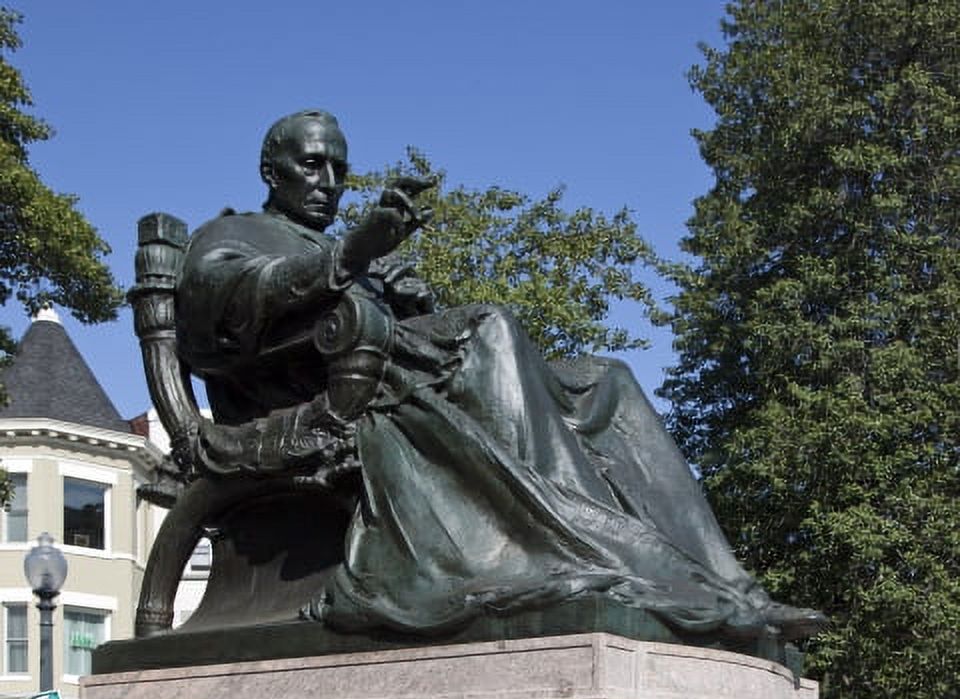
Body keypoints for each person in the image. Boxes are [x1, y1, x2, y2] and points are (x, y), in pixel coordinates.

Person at [175, 110, 823, 646]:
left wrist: (401, 294)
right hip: (327, 399)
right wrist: (351, 259)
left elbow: (377, 316)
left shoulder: (338, 246)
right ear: (271, 169)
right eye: (311, 164)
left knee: (609, 381)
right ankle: (604, 557)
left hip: (395, 372)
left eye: (339, 169)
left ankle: (730, 587)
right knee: (491, 329)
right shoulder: (231, 233)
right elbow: (217, 315)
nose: (328, 180)